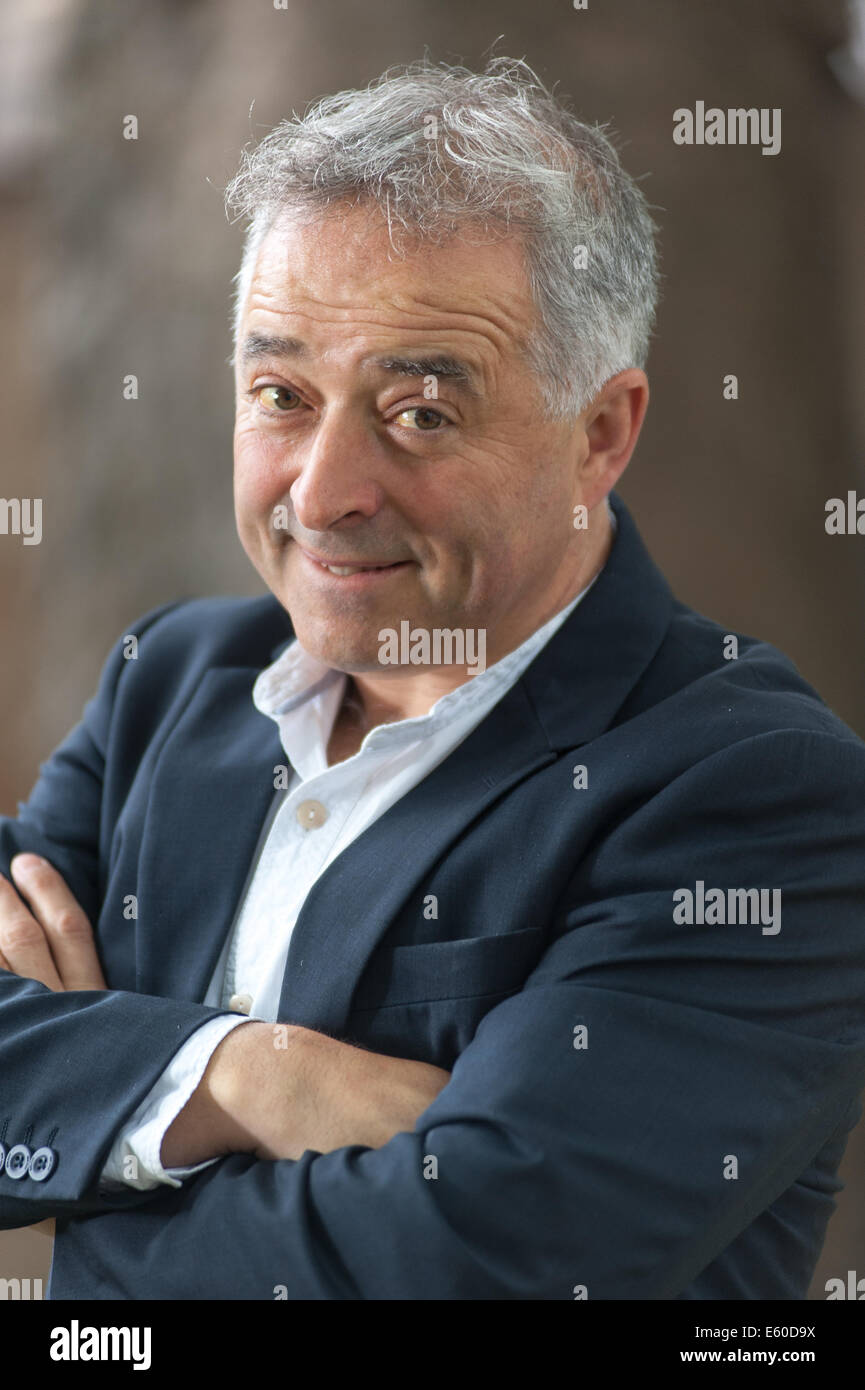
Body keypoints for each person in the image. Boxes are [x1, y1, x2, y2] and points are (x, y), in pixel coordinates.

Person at [1, 57, 864, 1300]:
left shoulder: (758, 796)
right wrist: (253, 1076)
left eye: (418, 412)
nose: (323, 490)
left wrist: (99, 1176)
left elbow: (478, 1260)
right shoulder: (172, 681)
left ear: (601, 433)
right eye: (281, 395)